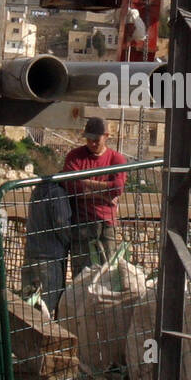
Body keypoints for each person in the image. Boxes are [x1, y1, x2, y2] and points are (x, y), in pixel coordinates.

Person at [63, 118, 127, 276]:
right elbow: (71, 186)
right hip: (81, 222)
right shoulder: (75, 156)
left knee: (109, 272)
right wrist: (104, 195)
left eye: (96, 140)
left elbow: (118, 188)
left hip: (106, 223)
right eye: (89, 139)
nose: (92, 143)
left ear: (106, 136)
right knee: (82, 272)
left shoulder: (116, 159)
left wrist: (86, 183)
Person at [21, 177, 72, 315]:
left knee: (28, 310)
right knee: (46, 311)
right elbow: (62, 223)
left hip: (31, 255)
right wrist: (71, 242)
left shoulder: (36, 192)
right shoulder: (58, 193)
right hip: (50, 259)